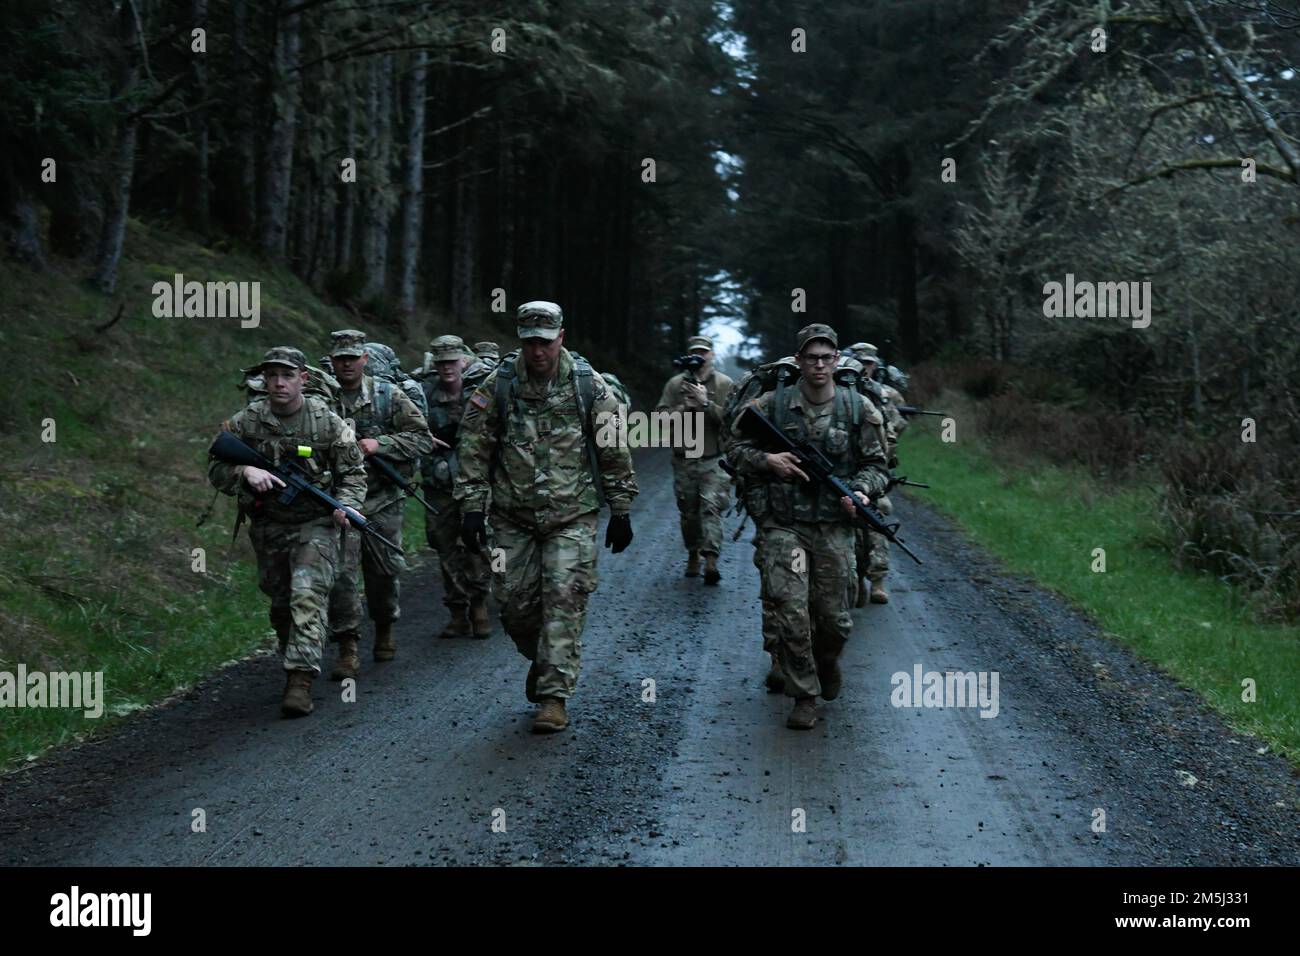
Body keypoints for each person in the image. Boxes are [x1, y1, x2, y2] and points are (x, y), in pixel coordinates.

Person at [455, 301, 638, 733]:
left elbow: (613, 450)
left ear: (561, 337)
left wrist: (622, 508)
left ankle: (554, 697)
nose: (537, 351)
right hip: (511, 516)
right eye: (529, 342)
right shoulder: (498, 385)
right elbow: (473, 449)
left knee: (564, 601)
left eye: (545, 341)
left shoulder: (588, 387)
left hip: (571, 515)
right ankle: (541, 659)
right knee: (515, 607)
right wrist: (469, 508)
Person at [729, 324, 890, 730]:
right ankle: (804, 695)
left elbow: (876, 466)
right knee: (790, 611)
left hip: (835, 528)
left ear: (837, 361)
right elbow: (734, 449)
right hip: (784, 525)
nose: (819, 364)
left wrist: (861, 492)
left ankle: (827, 662)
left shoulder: (859, 409)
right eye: (811, 357)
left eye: (826, 357)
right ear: (798, 361)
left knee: (835, 619)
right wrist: (770, 461)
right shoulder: (770, 406)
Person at [207, 347, 368, 717]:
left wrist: (346, 505)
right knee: (281, 604)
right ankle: (294, 652)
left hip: (317, 524)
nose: (279, 383)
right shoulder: (246, 421)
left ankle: (299, 680)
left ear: (303, 379)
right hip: (269, 526)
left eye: (287, 375)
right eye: (272, 375)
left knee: (306, 595)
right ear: (264, 380)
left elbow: (353, 472)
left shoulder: (325, 421)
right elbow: (215, 466)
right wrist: (243, 473)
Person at [325, 330, 436, 676]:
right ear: (331, 360)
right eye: (340, 358)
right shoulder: (321, 398)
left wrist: (380, 444)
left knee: (384, 573)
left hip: (383, 499)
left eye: (352, 357)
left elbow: (422, 439)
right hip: (339, 502)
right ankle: (348, 645)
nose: (346, 364)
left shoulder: (389, 395)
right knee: (341, 577)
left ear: (365, 359)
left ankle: (385, 626)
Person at [420, 334, 492, 639]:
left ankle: (479, 604)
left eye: (452, 361)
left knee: (473, 543)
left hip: (474, 481)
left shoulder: (480, 392)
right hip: (439, 484)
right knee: (444, 545)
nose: (447, 368)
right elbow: (410, 429)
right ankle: (457, 611)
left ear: (463, 361)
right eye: (441, 363)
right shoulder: (424, 393)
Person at [655, 336, 734, 583]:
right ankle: (693, 553)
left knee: (711, 507)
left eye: (704, 352)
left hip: (713, 458)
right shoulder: (675, 384)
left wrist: (706, 403)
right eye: (695, 352)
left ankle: (711, 560)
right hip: (685, 459)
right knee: (688, 511)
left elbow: (733, 422)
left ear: (712, 355)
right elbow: (659, 421)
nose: (699, 357)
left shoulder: (724, 383)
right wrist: (684, 407)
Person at [854, 344, 906, 605]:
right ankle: (855, 579)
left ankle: (877, 580)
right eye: (860, 361)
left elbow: (897, 423)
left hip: (875, 471)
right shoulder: (841, 392)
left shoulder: (883, 394)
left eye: (869, 362)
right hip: (851, 472)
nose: (865, 367)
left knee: (877, 521)